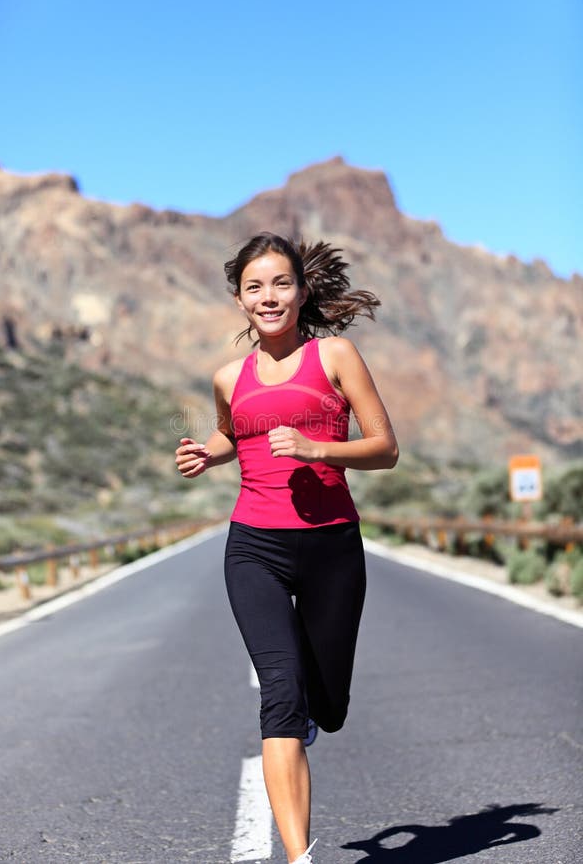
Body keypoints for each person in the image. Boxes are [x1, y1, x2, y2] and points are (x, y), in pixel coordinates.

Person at [175, 232, 398, 864]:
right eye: (253, 287)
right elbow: (233, 435)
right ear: (239, 299)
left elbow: (385, 448)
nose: (267, 297)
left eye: (280, 283)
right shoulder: (228, 377)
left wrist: (316, 448)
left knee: (327, 707)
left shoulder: (336, 356)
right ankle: (299, 857)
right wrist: (205, 453)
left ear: (301, 291)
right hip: (255, 548)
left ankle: (311, 715)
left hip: (331, 547)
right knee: (280, 688)